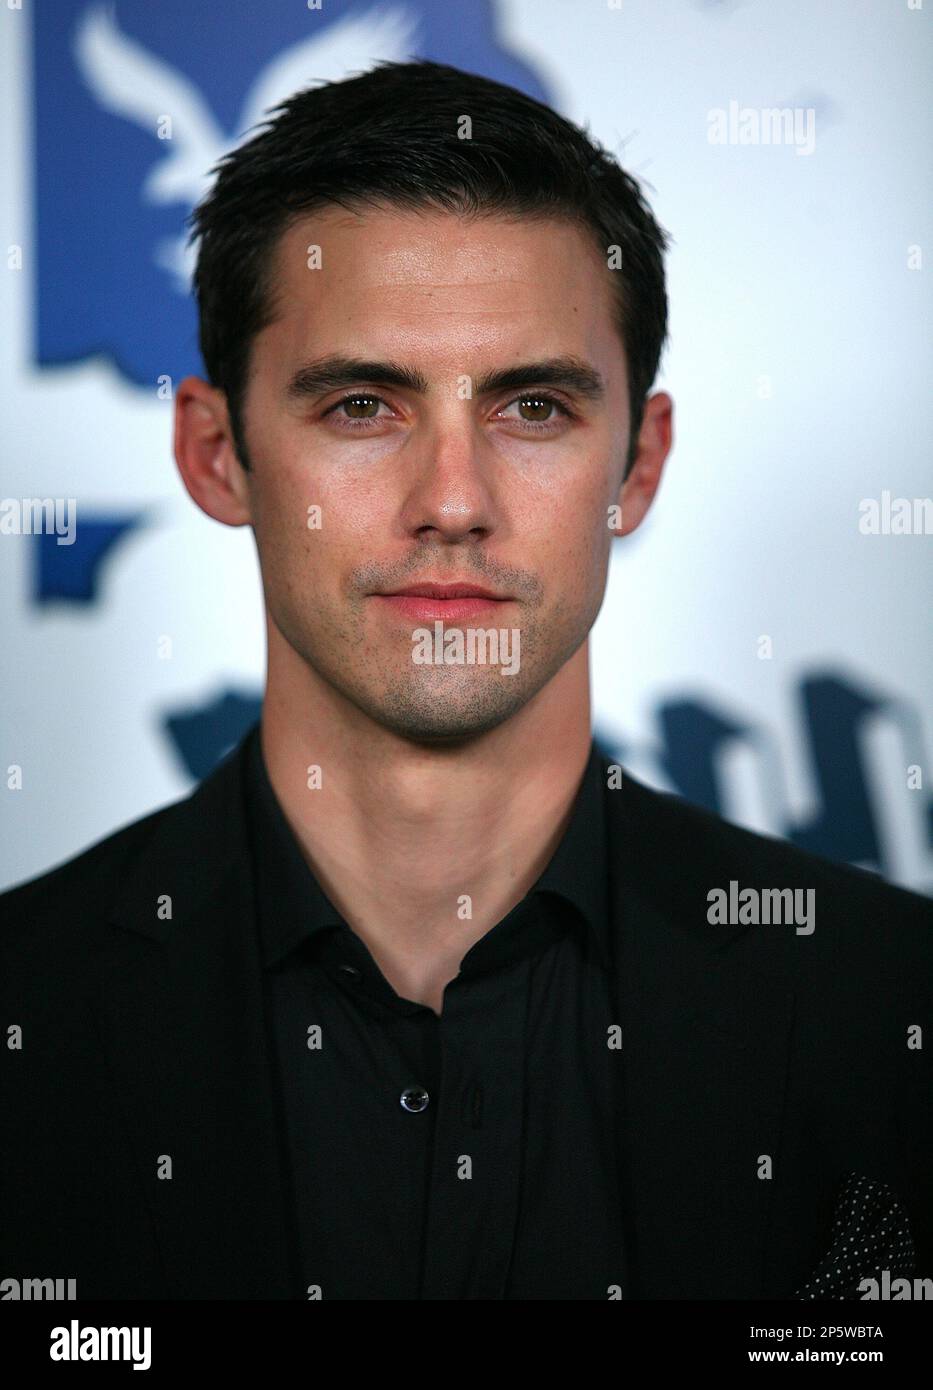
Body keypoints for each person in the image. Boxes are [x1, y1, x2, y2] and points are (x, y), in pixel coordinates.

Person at [2, 60, 930, 1302]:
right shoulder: (27, 1009)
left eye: (534, 406)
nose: (453, 502)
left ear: (638, 465)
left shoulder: (888, 1012)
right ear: (217, 456)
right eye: (362, 406)